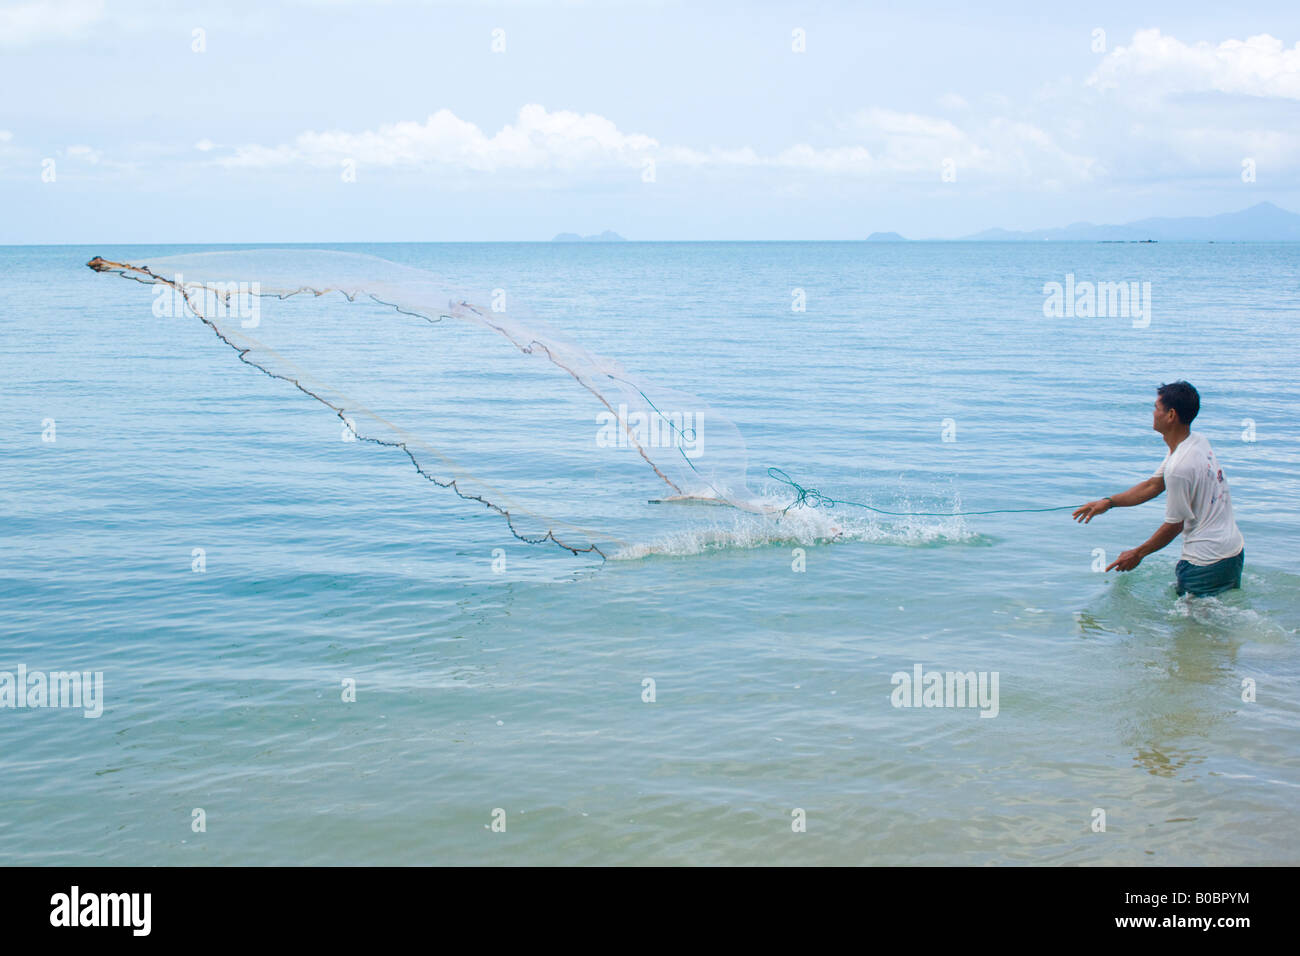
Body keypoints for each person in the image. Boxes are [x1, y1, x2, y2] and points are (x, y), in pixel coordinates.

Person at [1073, 381, 1244, 596]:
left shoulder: (1180, 467)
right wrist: (1109, 502)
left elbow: (1174, 525)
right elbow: (1153, 485)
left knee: (1195, 626)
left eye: (1156, 408)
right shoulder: (1196, 442)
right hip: (1232, 551)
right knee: (1214, 620)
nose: (1153, 413)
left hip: (1204, 561)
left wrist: (1137, 553)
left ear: (1171, 415)